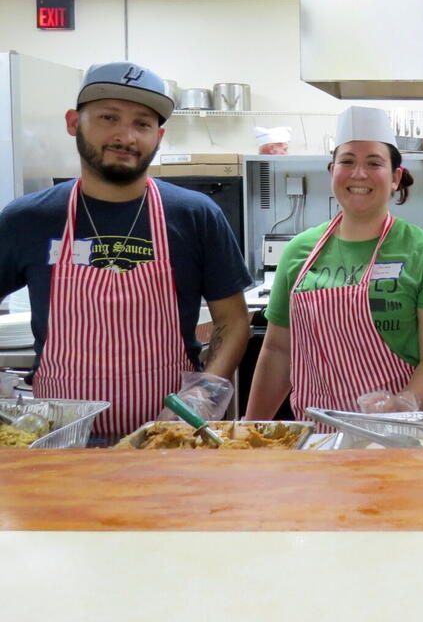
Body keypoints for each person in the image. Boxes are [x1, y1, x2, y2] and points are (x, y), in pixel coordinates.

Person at [0, 61, 252, 436]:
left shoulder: (195, 215)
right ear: (73, 122)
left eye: (142, 124)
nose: (125, 136)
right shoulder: (29, 218)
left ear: (159, 136)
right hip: (59, 441)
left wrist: (202, 396)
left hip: (167, 440)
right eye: (108, 117)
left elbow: (232, 321)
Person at [245, 106, 423, 420]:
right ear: (332, 171)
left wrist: (402, 406)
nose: (359, 174)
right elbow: (278, 352)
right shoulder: (298, 251)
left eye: (374, 163)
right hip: (324, 434)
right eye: (347, 162)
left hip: (412, 431)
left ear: (396, 177)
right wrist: (252, 428)